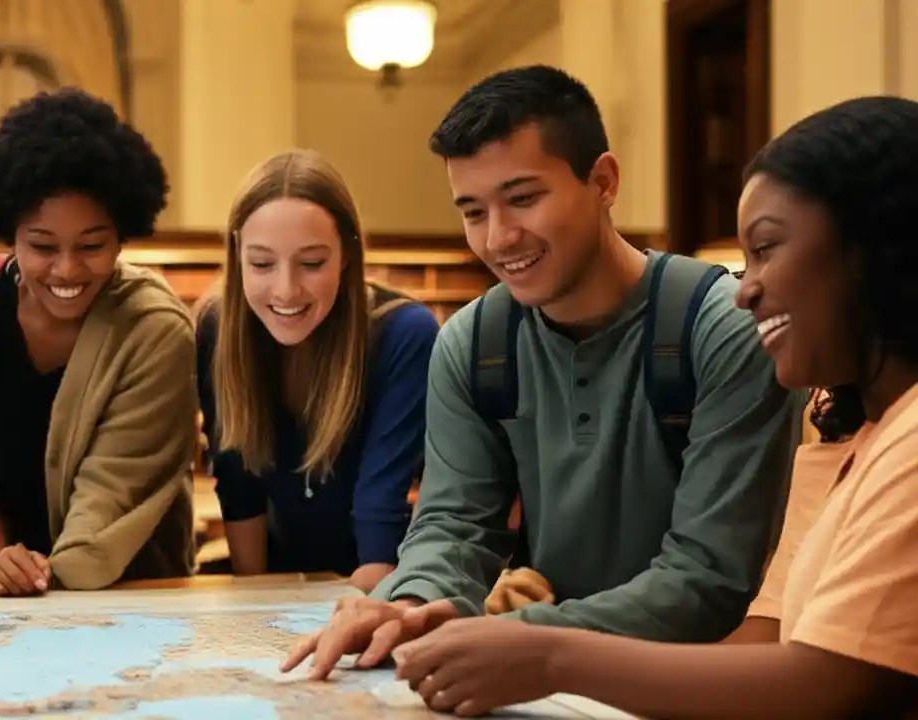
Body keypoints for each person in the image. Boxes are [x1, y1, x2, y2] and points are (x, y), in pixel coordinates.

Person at [389, 94, 918, 720]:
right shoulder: (848, 438)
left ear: (876, 249)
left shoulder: (905, 438)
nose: (745, 290)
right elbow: (765, 637)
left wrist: (546, 653)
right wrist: (416, 611)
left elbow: (832, 681)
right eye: (474, 211)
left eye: (767, 250)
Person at [284, 65, 804, 678]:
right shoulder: (472, 343)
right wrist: (408, 605)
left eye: (523, 199)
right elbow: (453, 525)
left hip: (711, 683)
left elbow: (708, 577)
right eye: (473, 211)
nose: (500, 237)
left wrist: (505, 636)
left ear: (603, 181)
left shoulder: (724, 327)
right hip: (552, 679)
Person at [0, 88, 197, 596]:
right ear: (9, 232)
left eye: (92, 246)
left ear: (123, 237)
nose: (67, 269)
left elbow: (110, 499)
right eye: (41, 245)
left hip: (131, 599)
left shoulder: (154, 330)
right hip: (10, 596)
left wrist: (30, 577)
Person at [196, 150, 439, 594]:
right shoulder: (217, 327)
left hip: (382, 573)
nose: (287, 289)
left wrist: (359, 616)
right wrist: (253, 604)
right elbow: (237, 482)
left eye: (311, 263)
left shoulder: (405, 333)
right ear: (237, 254)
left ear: (347, 253)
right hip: (277, 571)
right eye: (262, 263)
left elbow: (379, 505)